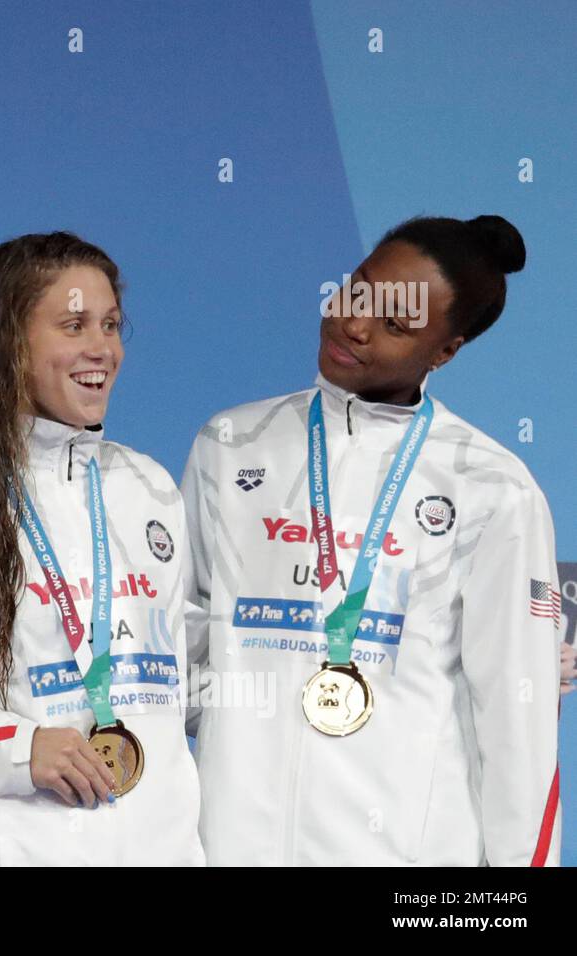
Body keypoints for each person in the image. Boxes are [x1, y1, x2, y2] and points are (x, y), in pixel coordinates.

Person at [183, 215, 561, 865]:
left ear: (446, 351)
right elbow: (178, 648)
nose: (356, 325)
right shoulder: (232, 444)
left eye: (397, 324)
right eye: (358, 292)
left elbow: (516, 723)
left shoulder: (490, 486)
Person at [0, 232, 204, 865]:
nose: (101, 348)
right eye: (73, 324)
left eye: (110, 324)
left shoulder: (147, 485)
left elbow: (180, 679)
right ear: (11, 343)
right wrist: (19, 751)